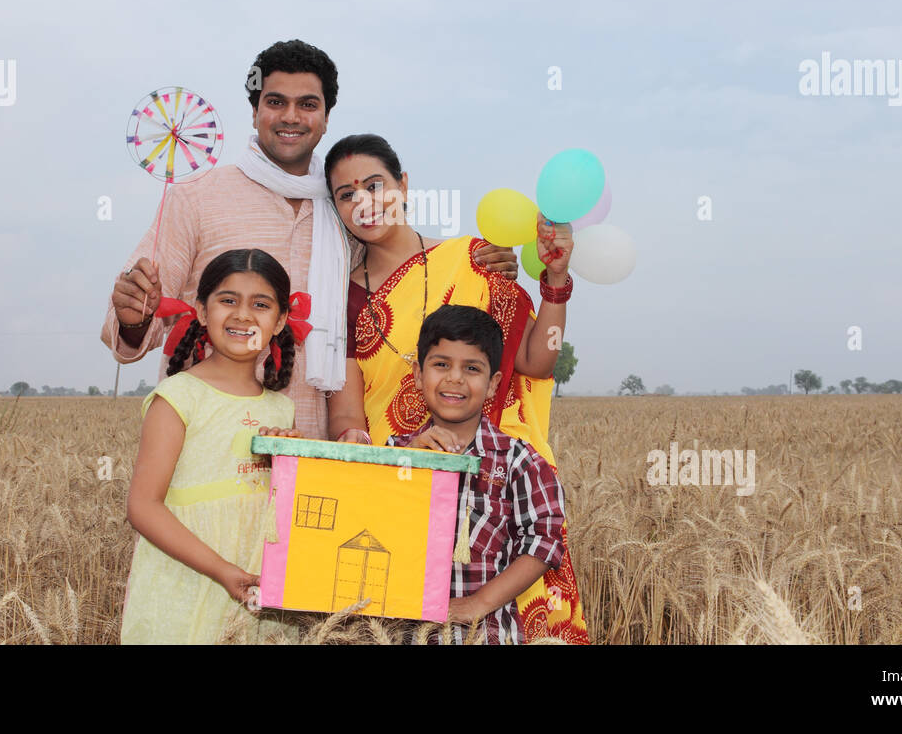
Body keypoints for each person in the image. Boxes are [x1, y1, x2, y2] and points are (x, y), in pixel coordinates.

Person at [102, 39, 517, 440]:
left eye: (308, 104)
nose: (292, 117)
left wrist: (476, 261)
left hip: (318, 449)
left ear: (325, 118)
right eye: (276, 101)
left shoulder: (344, 208)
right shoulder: (196, 197)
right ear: (255, 111)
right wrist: (133, 318)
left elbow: (402, 274)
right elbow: (140, 326)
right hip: (210, 440)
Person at [324, 133, 590, 644]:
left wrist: (554, 281)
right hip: (399, 490)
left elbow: (534, 361)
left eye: (375, 184)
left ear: (403, 185)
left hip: (496, 493)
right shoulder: (342, 293)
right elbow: (347, 419)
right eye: (346, 194)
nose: (364, 203)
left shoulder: (473, 261)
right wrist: (390, 459)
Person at [120, 248, 305, 644]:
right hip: (187, 577)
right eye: (228, 301)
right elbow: (143, 506)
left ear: (280, 321)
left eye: (260, 304)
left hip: (256, 583)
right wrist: (221, 569)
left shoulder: (281, 410)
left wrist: (292, 461)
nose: (242, 315)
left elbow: (287, 508)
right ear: (202, 312)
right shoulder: (180, 397)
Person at [388, 305, 565, 644]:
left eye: (471, 368)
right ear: (417, 374)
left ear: (493, 384)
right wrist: (407, 464)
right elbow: (371, 518)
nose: (455, 378)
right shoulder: (393, 452)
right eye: (441, 364)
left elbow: (545, 539)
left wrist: (477, 604)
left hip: (485, 634)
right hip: (402, 633)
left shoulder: (517, 461)